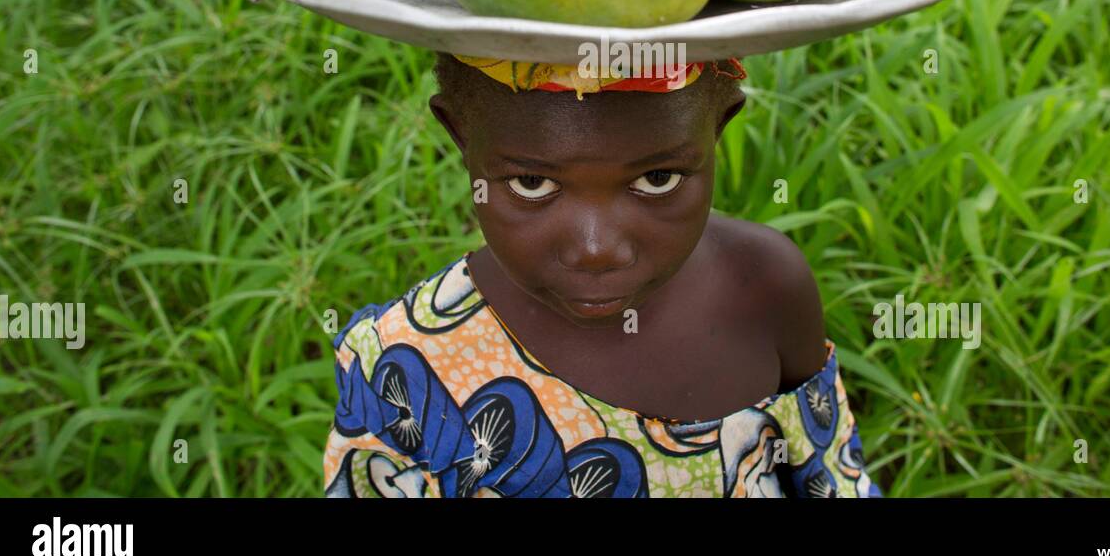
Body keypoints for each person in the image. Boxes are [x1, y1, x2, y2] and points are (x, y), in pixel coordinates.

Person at [324, 51, 881, 497]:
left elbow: (831, 477)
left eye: (659, 178)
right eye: (532, 184)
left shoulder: (765, 286)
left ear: (719, 126)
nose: (596, 250)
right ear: (460, 136)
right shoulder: (401, 367)